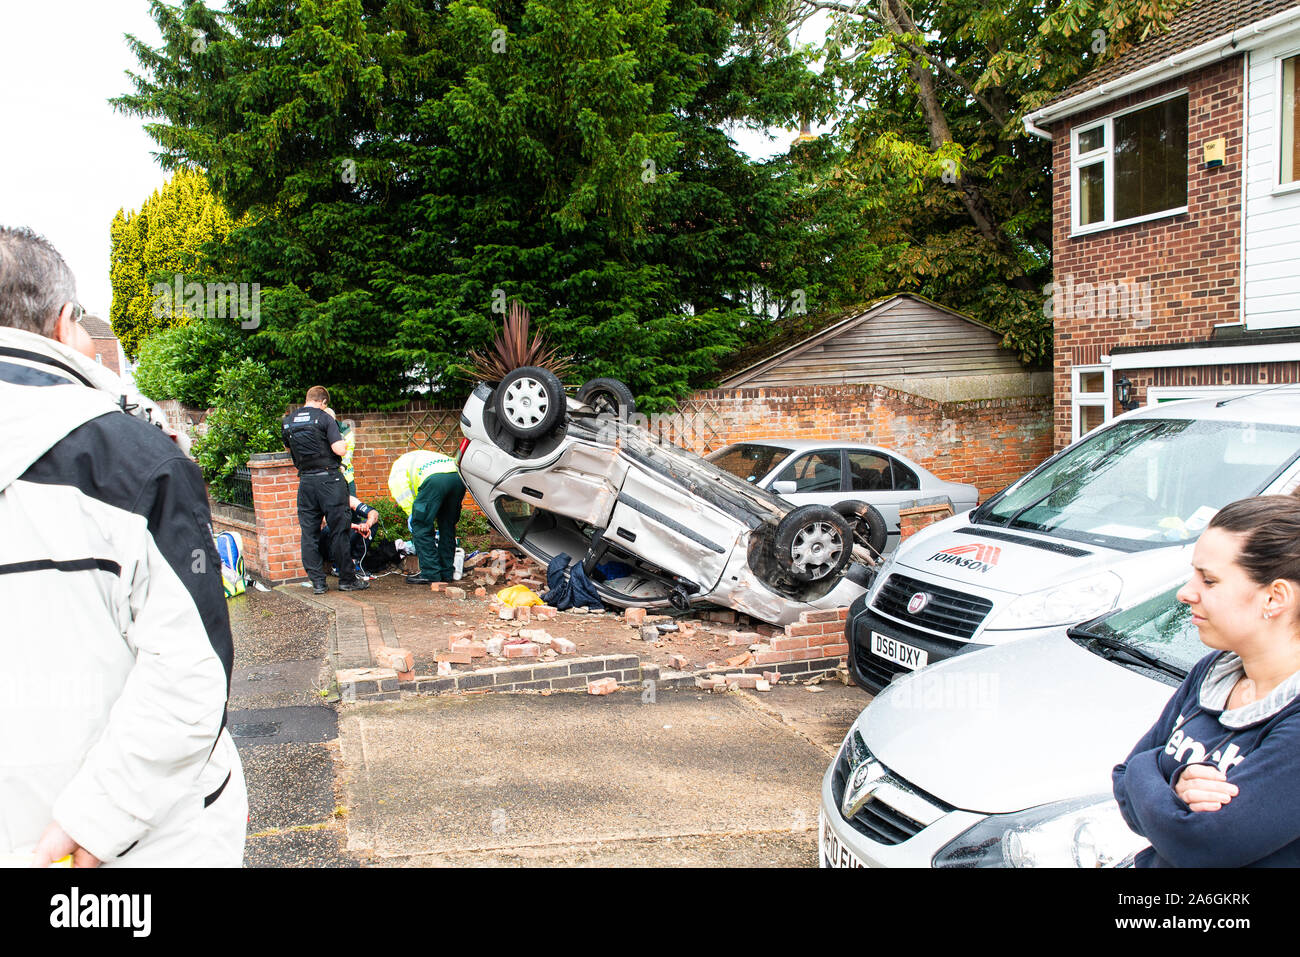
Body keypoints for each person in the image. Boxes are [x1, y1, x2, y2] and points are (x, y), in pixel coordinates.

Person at [0, 225, 247, 866]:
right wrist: (98, 817)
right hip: (151, 839)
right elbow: (190, 673)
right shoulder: (134, 460)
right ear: (60, 323)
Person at [1113, 495, 1300, 867]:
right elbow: (1123, 791)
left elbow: (1202, 845)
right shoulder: (1214, 671)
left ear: (1275, 597)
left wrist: (1148, 768)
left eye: (1209, 581)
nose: (1186, 593)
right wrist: (1170, 777)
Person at [281, 387, 368, 594]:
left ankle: (318, 583)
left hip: (306, 483)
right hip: (330, 480)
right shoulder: (324, 418)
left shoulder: (288, 421)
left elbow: (288, 449)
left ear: (307, 399)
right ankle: (347, 580)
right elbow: (339, 449)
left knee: (309, 533)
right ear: (324, 402)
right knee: (340, 530)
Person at [387, 449, 465, 584]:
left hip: (434, 480)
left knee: (421, 526)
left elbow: (402, 494)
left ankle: (430, 573)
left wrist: (412, 514)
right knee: (447, 526)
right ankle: (447, 572)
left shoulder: (396, 473)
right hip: (457, 477)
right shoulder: (419, 458)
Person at [318, 494, 379, 580]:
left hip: (346, 536)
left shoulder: (348, 499)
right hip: (328, 544)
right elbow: (329, 523)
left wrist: (367, 525)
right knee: (329, 529)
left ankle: (356, 562)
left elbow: (374, 513)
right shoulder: (324, 501)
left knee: (372, 523)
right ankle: (337, 565)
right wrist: (354, 526)